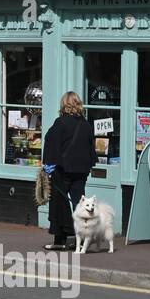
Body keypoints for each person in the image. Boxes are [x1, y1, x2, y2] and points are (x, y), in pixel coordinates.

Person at [41, 91, 96, 251]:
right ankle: (82, 237)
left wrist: (48, 166)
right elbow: (90, 147)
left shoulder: (60, 123)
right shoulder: (85, 124)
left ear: (64, 105)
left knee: (59, 203)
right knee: (80, 203)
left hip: (63, 169)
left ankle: (61, 239)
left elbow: (50, 143)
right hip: (81, 170)